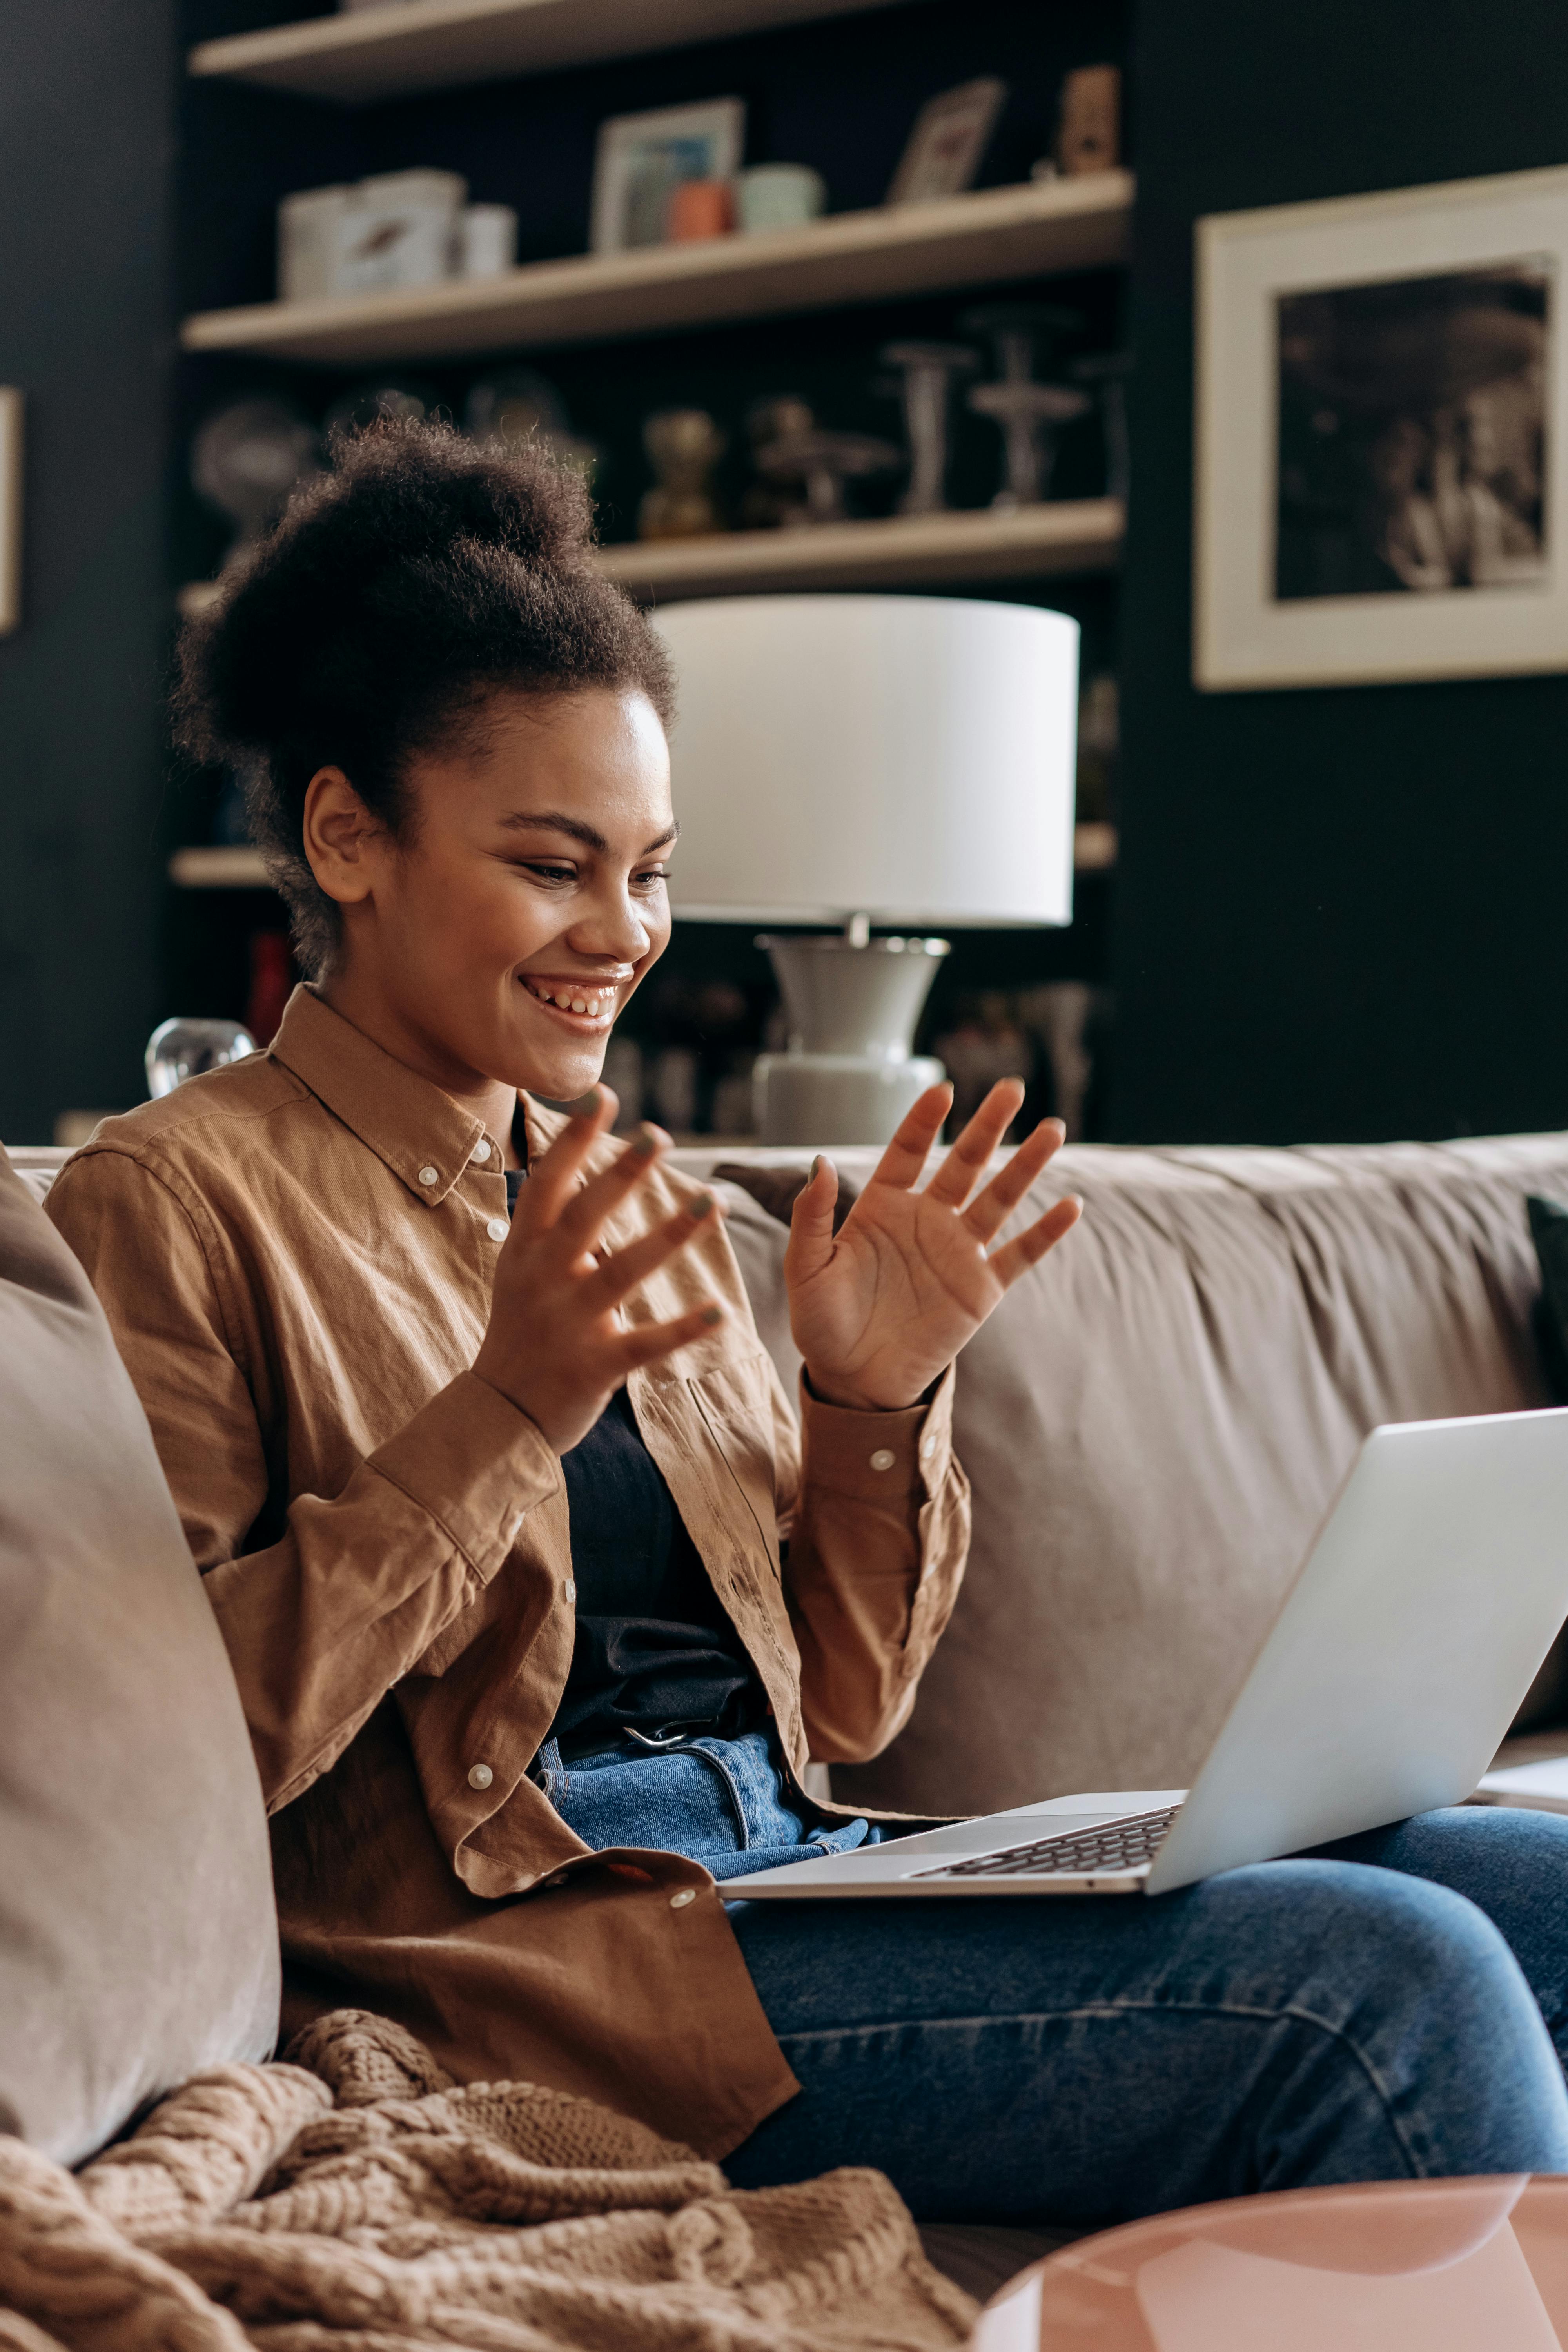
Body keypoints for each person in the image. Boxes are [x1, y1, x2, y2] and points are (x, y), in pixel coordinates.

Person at [47, 422, 1568, 2229]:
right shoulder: (170, 1203)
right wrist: (502, 1415)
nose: (625, 934)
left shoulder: (649, 1195)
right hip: (550, 1985)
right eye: (555, 864)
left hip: (802, 1878)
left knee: (1527, 1883)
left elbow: (838, 1705)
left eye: (652, 868)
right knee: (1385, 1985)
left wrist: (870, 1397)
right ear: (346, 835)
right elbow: (190, 1757)